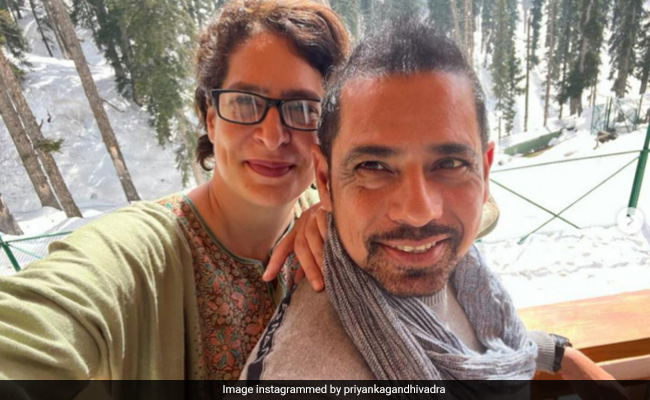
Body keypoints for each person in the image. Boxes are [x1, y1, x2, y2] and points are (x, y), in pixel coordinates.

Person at [241, 17, 618, 385]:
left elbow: (468, 341)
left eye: (450, 164)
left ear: (485, 171)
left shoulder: (464, 269)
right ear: (325, 182)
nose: (419, 212)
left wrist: (560, 355)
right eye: (373, 166)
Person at [0, 0, 348, 380]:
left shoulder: (338, 223)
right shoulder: (138, 255)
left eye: (304, 109)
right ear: (211, 119)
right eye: (244, 103)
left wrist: (338, 216)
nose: (272, 136)